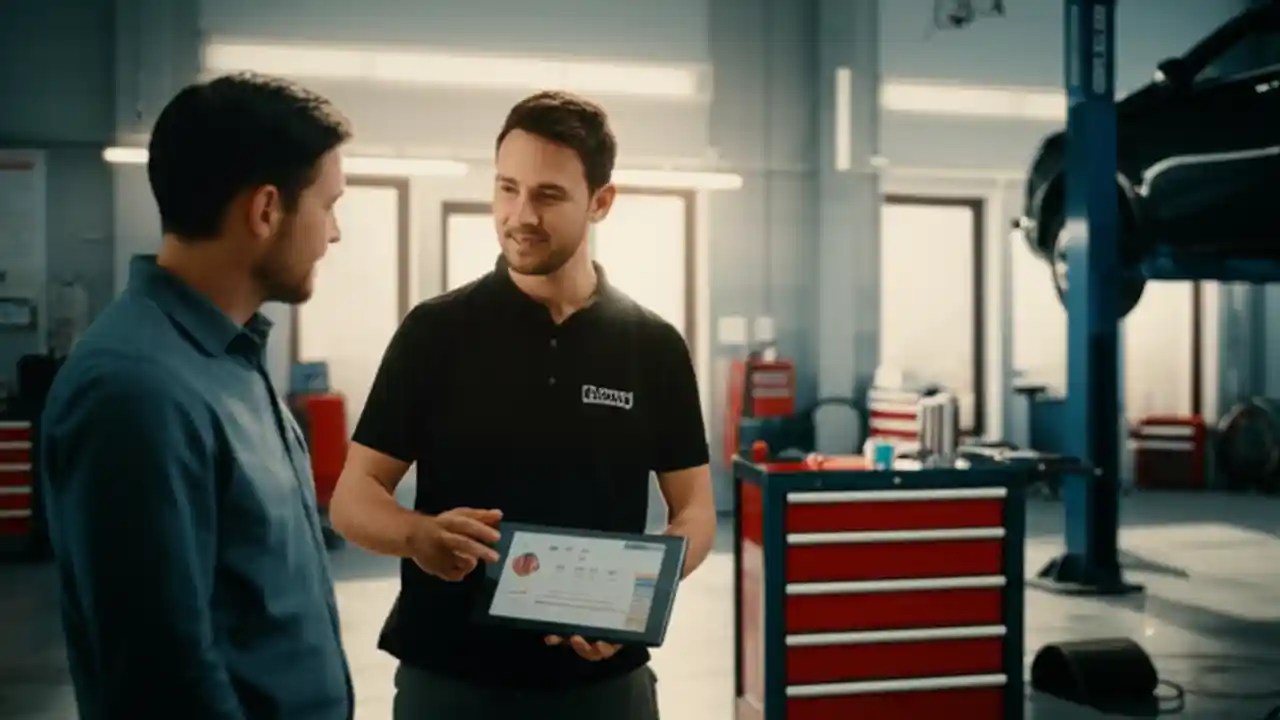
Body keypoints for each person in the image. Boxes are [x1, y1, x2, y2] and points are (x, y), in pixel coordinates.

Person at [329, 90, 717, 718]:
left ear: (601, 202)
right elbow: (353, 497)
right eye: (507, 188)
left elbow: (695, 507)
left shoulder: (652, 345)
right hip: (451, 681)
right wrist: (416, 534)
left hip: (604, 685)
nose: (520, 214)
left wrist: (646, 592)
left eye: (549, 195)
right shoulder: (436, 332)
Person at [39, 72, 354, 720]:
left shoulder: (228, 359)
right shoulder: (136, 391)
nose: (335, 233)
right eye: (328, 205)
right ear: (266, 210)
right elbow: (161, 675)